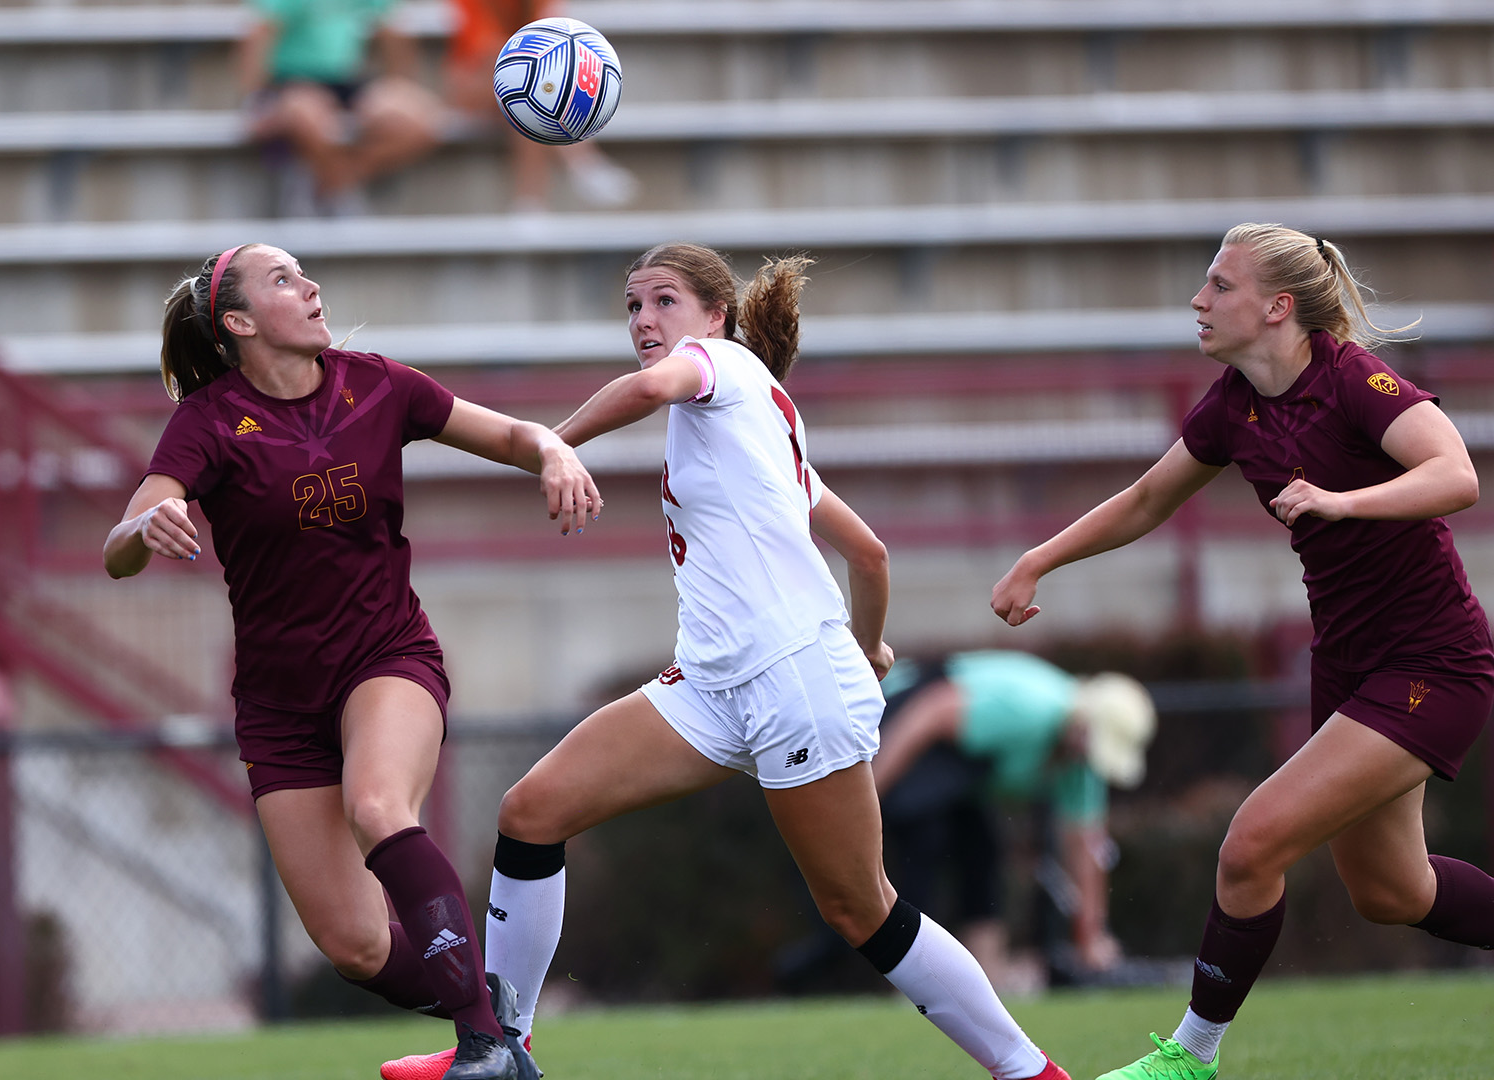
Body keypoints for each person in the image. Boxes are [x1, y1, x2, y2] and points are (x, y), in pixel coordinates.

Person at [384, 243, 1071, 1080]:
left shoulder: (719, 364)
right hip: (713, 685)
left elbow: (646, 388)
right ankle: (501, 1051)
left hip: (788, 679)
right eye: (632, 307)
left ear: (715, 316)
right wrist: (867, 644)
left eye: (662, 301)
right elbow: (870, 554)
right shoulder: (758, 420)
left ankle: (1030, 1072)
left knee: (860, 908)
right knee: (532, 812)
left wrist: (550, 446)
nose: (643, 321)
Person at [991, 223, 1494, 1079]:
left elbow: (1456, 474)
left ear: (1277, 307)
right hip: (1351, 663)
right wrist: (1040, 559)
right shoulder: (1233, 402)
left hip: (1430, 663)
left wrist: (1343, 500)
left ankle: (1191, 1057)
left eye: (1220, 285)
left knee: (1250, 846)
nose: (1198, 300)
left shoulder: (1353, 379)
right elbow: (1147, 499)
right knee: (1391, 892)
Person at [104, 243, 601, 1080]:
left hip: (387, 656)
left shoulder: (378, 384)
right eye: (285, 280)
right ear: (239, 322)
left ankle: (485, 1048)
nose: (312, 286)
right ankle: (495, 1013)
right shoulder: (209, 421)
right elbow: (122, 541)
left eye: (304, 274)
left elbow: (513, 435)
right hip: (279, 706)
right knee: (356, 944)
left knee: (378, 804)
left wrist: (554, 452)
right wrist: (141, 532)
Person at [874, 652, 1156, 983]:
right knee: (923, 844)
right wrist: (866, 797)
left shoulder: (1080, 759)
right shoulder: (1032, 710)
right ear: (1083, 723)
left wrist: (1090, 939)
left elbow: (1085, 845)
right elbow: (927, 714)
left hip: (955, 769)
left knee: (983, 854)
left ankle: (984, 978)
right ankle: (910, 982)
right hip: (903, 713)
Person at [239, 0, 443, 215]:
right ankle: (338, 190)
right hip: (293, 81)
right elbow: (260, 32)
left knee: (420, 120)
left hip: (347, 80)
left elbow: (394, 31)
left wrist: (396, 84)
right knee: (307, 116)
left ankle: (338, 181)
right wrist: (257, 96)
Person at [443, 0, 638, 211]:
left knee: (532, 97)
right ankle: (580, 163)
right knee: (526, 90)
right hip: (474, 81)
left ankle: (532, 200)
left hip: (518, 82)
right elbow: (485, 50)